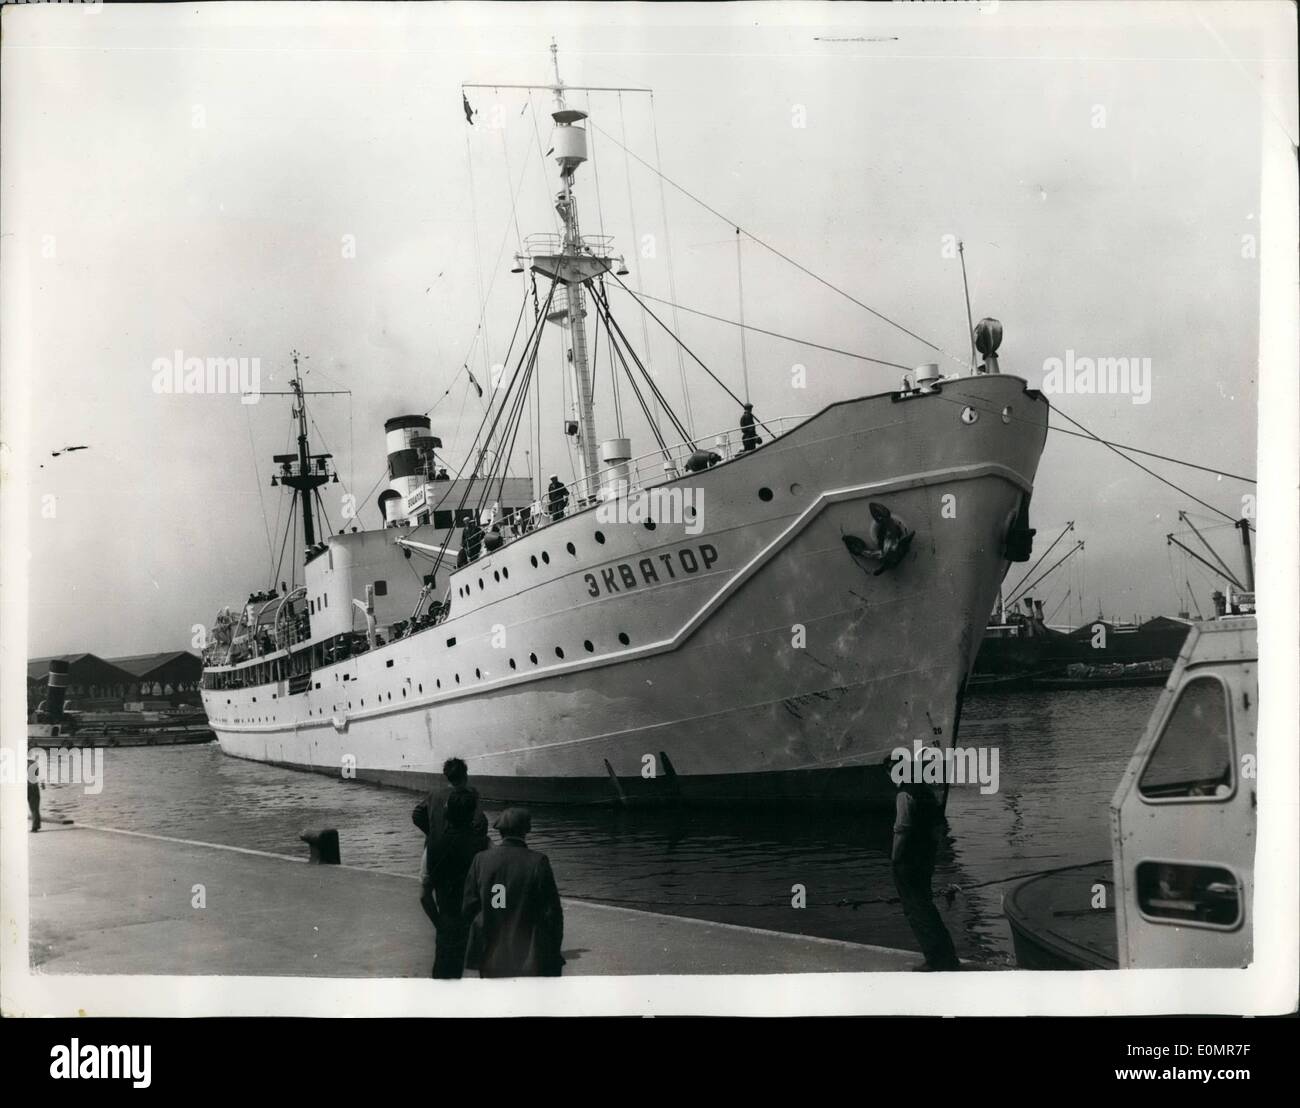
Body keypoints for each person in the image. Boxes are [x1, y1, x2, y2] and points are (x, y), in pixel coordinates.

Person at [461, 808, 564, 978]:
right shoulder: (538, 861)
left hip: (490, 953)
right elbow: (552, 913)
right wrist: (553, 950)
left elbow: (469, 907)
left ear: (500, 832)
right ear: (526, 830)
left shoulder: (481, 859)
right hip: (528, 955)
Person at [891, 776, 960, 971]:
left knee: (916, 911)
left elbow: (902, 829)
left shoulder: (904, 794)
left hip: (908, 861)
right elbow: (937, 826)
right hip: (925, 860)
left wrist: (895, 857)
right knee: (927, 908)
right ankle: (948, 958)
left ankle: (935, 960)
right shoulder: (926, 790)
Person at [413, 758, 489, 929]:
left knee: (443, 895)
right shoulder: (471, 795)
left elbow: (417, 814)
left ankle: (446, 928)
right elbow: (480, 823)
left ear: (447, 776)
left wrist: (433, 834)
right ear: (465, 775)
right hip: (466, 851)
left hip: (437, 850)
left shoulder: (434, 794)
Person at [426, 789, 491, 977]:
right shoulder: (484, 845)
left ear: (447, 813)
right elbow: (497, 883)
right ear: (473, 815)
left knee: (445, 981)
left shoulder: (433, 845)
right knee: (487, 982)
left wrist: (440, 924)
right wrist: (497, 909)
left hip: (448, 921)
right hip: (477, 922)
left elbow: (424, 895)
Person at [27, 749, 42, 832]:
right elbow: (37, 774)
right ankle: (35, 826)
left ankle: (37, 824)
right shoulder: (34, 763)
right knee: (34, 807)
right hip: (33, 786)